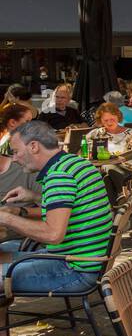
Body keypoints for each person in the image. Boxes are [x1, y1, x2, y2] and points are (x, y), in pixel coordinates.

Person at [0, 121, 114, 298]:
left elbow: (53, 235)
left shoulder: (58, 176)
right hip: (89, 261)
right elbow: (73, 204)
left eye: (16, 152)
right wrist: (34, 197)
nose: (14, 158)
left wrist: (5, 218)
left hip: (76, 270)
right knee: (4, 253)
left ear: (34, 146)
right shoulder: (75, 163)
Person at [85, 102, 132, 200]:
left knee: (106, 174)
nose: (109, 123)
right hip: (102, 169)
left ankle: (114, 208)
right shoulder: (95, 134)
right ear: (101, 121)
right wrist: (90, 154)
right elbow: (82, 152)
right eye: (105, 120)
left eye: (112, 119)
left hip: (128, 171)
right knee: (106, 171)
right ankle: (123, 196)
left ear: (118, 117)